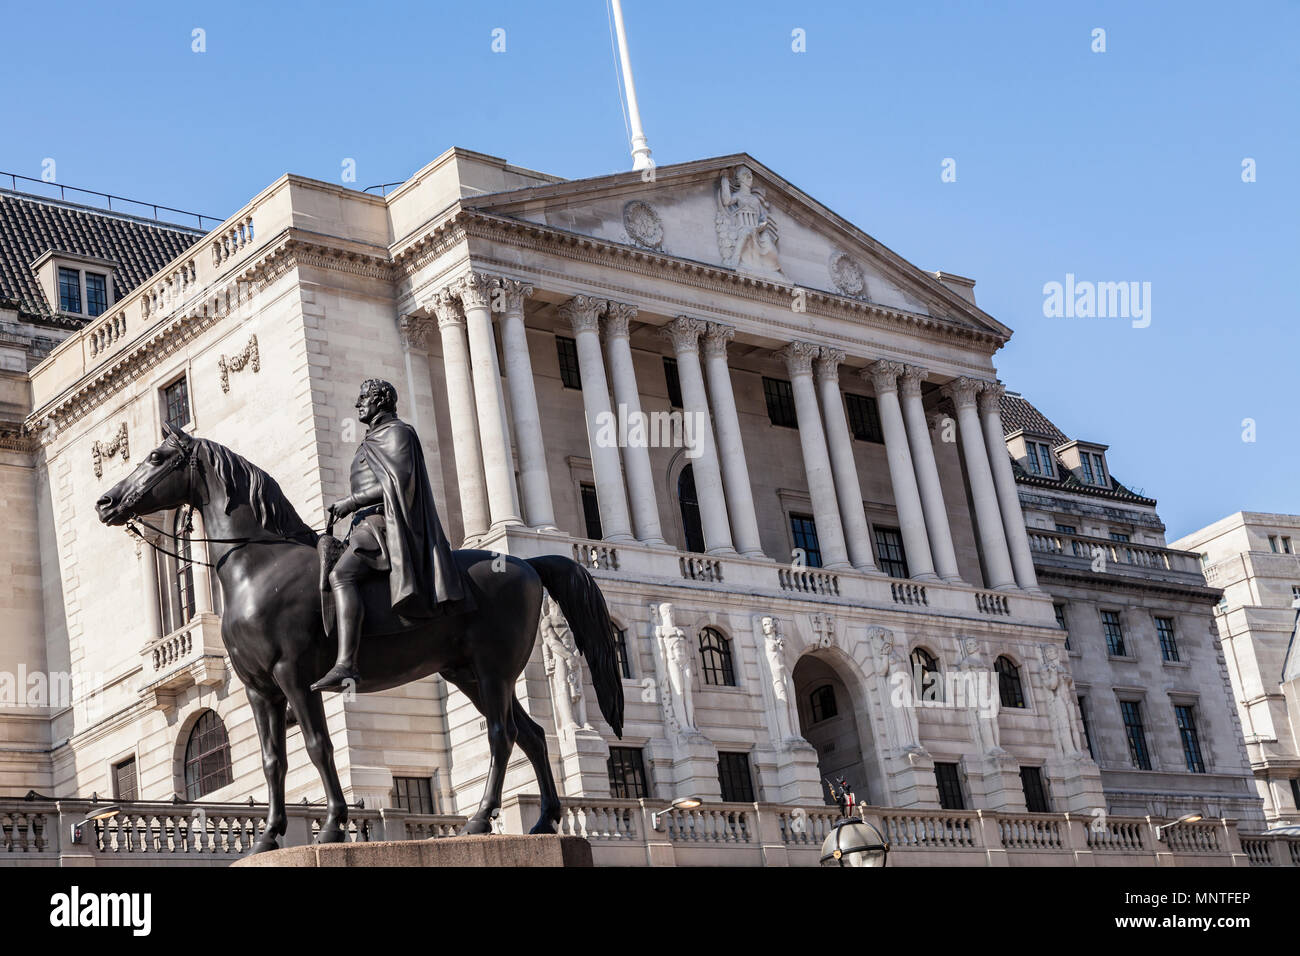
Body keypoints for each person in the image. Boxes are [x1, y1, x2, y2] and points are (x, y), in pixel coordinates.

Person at [312, 378, 471, 692]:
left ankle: (347, 664)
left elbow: (398, 482)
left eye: (362, 398)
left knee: (341, 576)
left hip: (387, 524)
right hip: (363, 525)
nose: (357, 404)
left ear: (380, 400)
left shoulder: (398, 433)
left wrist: (350, 502)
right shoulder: (372, 439)